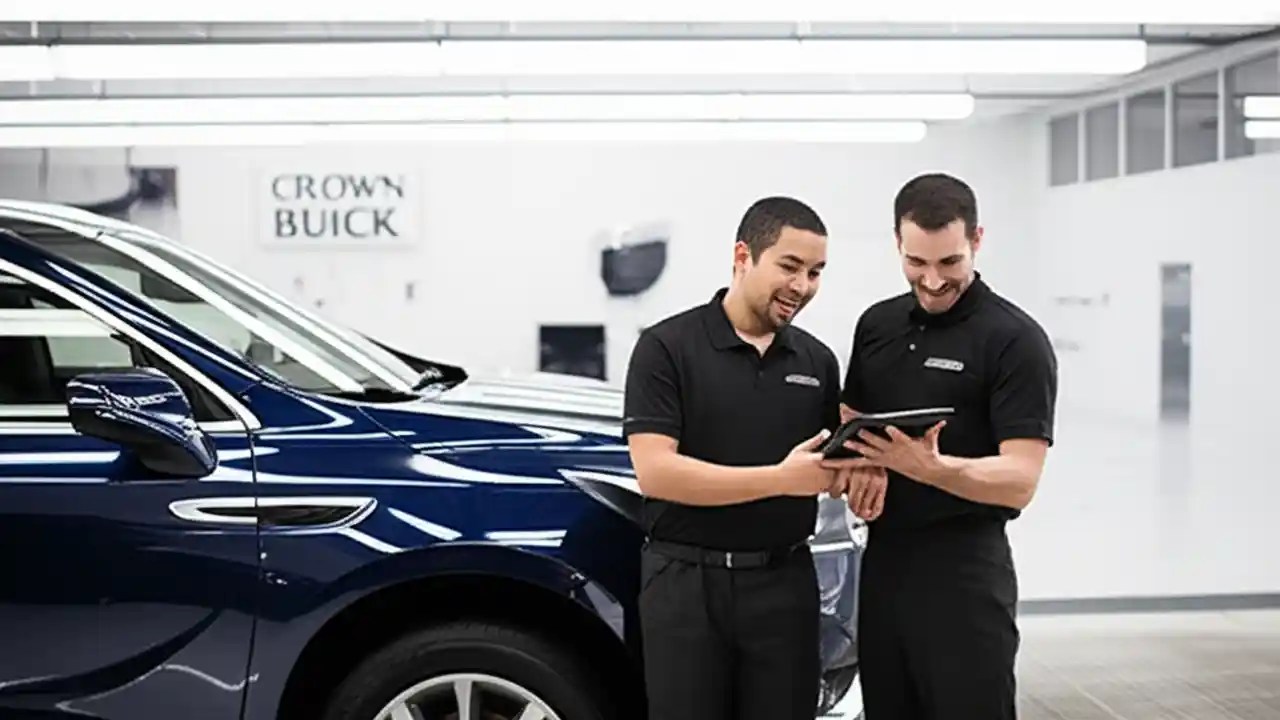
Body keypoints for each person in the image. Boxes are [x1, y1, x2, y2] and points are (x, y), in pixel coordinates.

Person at [622, 196, 878, 720]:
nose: (802, 286)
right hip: (686, 586)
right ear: (743, 256)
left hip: (784, 585)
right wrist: (781, 479)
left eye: (815, 272)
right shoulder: (666, 348)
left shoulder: (816, 360)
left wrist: (861, 469)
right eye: (789, 266)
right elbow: (656, 473)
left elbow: (825, 468)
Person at [830, 172, 1058, 719]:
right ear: (898, 244)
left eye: (950, 263)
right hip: (883, 565)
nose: (932, 281)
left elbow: (1021, 479)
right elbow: (855, 416)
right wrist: (865, 467)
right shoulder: (877, 325)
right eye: (917, 263)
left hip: (965, 571)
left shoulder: (1015, 340)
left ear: (977, 241)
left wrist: (927, 467)